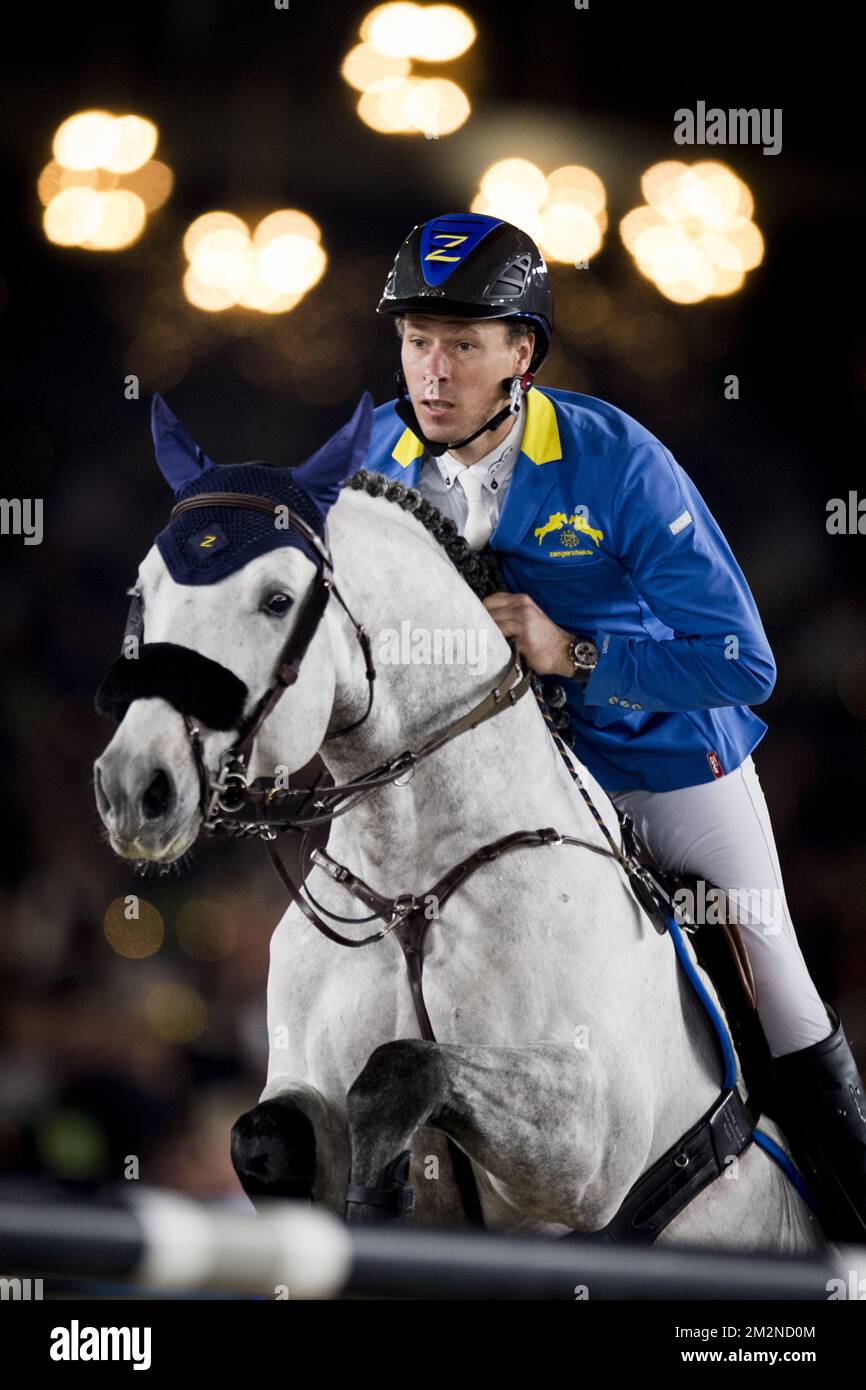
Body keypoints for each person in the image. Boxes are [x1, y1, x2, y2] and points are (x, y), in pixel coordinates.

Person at [362, 211, 866, 1241]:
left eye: (462, 342)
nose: (433, 369)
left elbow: (742, 661)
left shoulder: (612, 458)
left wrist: (571, 651)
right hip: (515, 778)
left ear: (520, 354)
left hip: (671, 764)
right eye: (416, 338)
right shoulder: (377, 451)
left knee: (775, 976)